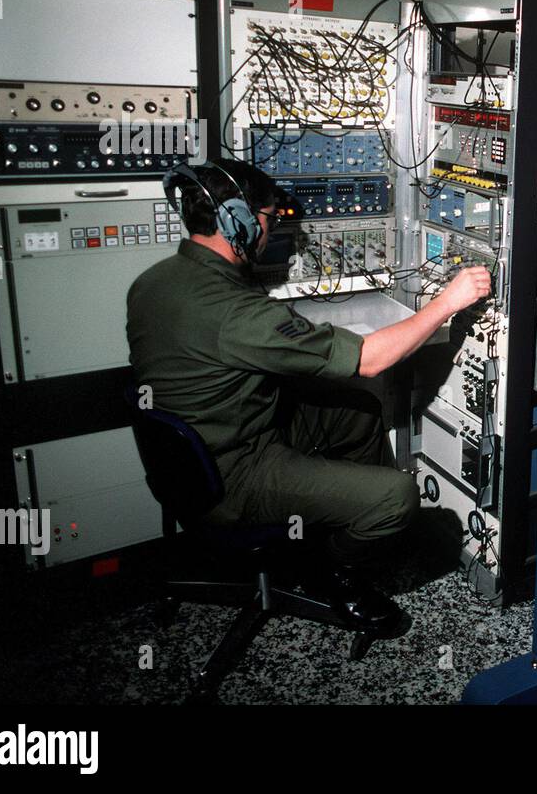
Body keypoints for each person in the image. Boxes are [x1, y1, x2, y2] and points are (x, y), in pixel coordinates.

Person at [126, 158, 490, 636]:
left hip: (201, 446)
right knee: (398, 494)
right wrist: (449, 301)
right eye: (271, 219)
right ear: (238, 219)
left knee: (355, 408)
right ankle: (339, 571)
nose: (271, 231)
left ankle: (354, 527)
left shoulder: (154, 281)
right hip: (234, 471)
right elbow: (372, 360)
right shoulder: (236, 312)